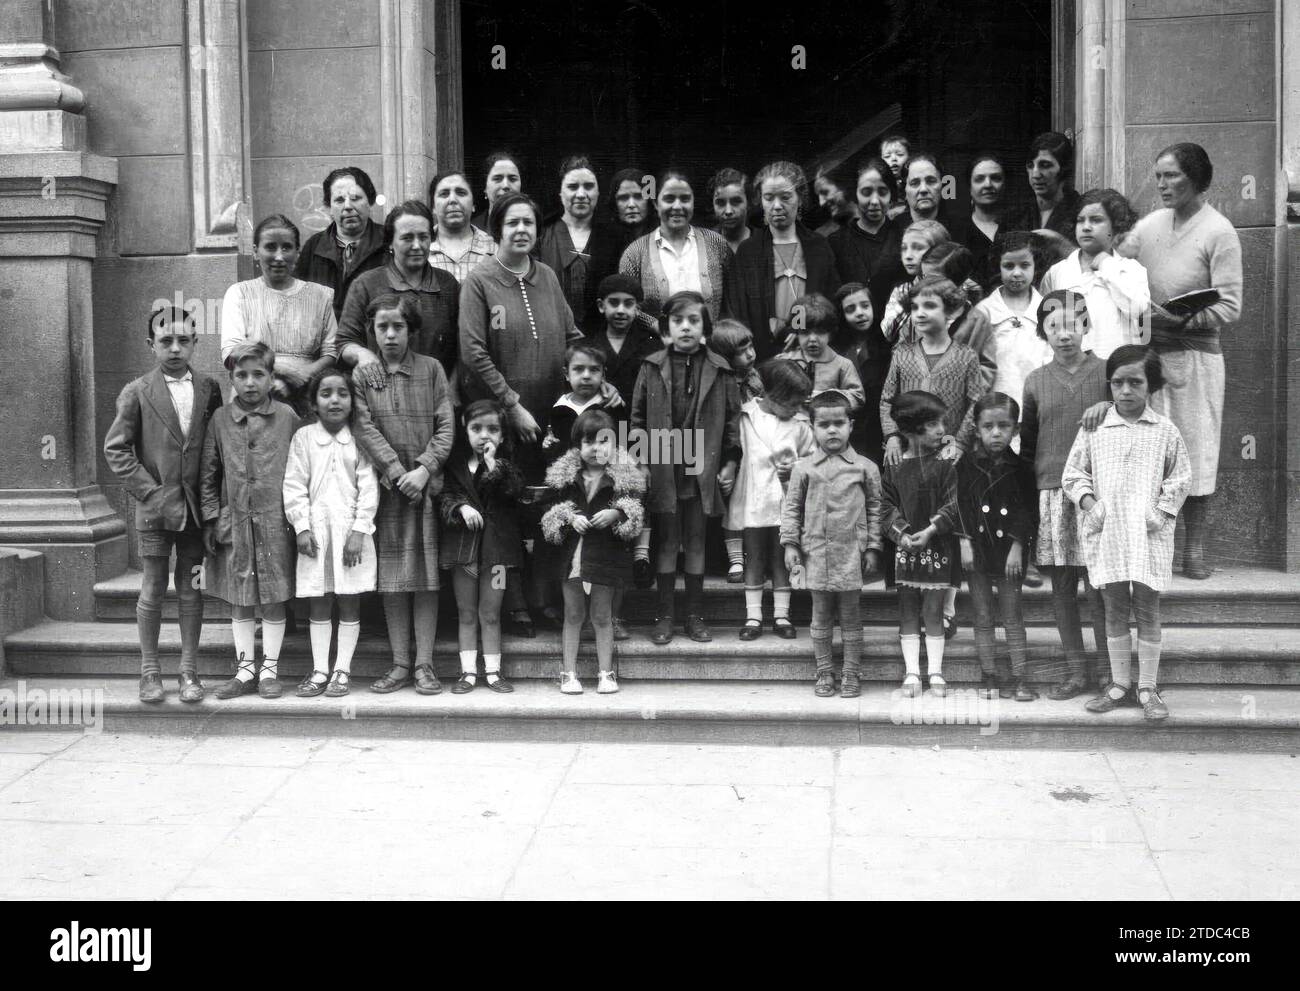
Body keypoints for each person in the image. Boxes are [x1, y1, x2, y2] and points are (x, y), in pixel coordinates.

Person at [458, 191, 588, 637]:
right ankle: (513, 606)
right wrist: (511, 405)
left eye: (528, 223)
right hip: (504, 421)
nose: (521, 230)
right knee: (507, 516)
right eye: (512, 223)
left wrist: (593, 375)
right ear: (497, 229)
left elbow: (571, 335)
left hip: (550, 418)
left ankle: (543, 599)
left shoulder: (548, 276)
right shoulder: (480, 280)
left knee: (550, 509)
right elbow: (473, 350)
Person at [1128, 142, 1242, 580]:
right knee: (1150, 452)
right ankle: (1159, 548)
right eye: (1157, 175)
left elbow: (1230, 306)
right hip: (1151, 357)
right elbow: (1119, 261)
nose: (1161, 184)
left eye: (1171, 175)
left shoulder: (1220, 231)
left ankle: (1193, 551)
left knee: (1194, 452)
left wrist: (1185, 318)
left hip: (1196, 361)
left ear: (1196, 178)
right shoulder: (1151, 224)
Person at [1063, 345, 1191, 722]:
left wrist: (1159, 513)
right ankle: (1120, 684)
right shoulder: (1096, 428)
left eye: (1135, 382)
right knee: (1114, 608)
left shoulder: (1165, 430)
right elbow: (1073, 474)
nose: (1125, 391)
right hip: (1108, 531)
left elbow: (1181, 479)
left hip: (1149, 533)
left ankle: (1147, 686)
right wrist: (1091, 505)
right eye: (1117, 383)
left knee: (1148, 609)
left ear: (1151, 385)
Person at [104, 304, 221, 704]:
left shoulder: (209, 389)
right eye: (165, 341)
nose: (175, 348)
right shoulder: (137, 391)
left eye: (183, 341)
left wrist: (211, 506)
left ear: (195, 344)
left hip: (193, 510)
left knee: (191, 588)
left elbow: (212, 448)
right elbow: (117, 449)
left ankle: (189, 670)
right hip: (154, 509)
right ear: (150, 344)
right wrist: (150, 492)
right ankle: (149, 670)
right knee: (153, 585)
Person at [353, 294, 455, 695]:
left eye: (398, 326)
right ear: (372, 331)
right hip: (388, 491)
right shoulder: (365, 376)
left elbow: (446, 426)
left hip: (425, 490)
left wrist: (424, 469)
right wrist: (397, 472)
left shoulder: (431, 370)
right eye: (382, 327)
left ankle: (425, 665)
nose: (391, 334)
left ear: (411, 329)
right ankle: (399, 663)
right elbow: (363, 428)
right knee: (393, 579)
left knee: (425, 580)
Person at [632, 290, 741, 644]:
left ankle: (694, 614)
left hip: (701, 463)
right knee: (667, 540)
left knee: (695, 540)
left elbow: (732, 424)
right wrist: (641, 461)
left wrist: (730, 462)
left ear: (705, 328)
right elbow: (635, 419)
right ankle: (664, 615)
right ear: (666, 328)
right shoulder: (651, 367)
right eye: (678, 321)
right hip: (664, 460)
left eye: (694, 321)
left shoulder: (721, 370)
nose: (686, 328)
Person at [1020, 289, 1111, 700]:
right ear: (1043, 332)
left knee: (1098, 590)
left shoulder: (1109, 373)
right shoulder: (1035, 381)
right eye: (1053, 326)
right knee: (1061, 591)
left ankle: (1110, 671)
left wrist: (1108, 404)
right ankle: (1076, 672)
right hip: (1052, 495)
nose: (1064, 334)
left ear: (1086, 325)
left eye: (1073, 324)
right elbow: (1028, 444)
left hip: (1096, 494)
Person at [200, 341, 301, 700]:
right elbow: (208, 474)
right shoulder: (219, 420)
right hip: (237, 522)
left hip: (276, 522)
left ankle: (269, 670)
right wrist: (211, 518)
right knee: (240, 595)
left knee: (273, 595)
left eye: (258, 374)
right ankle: (244, 670)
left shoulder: (288, 418)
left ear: (271, 377)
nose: (250, 382)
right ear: (232, 379)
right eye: (241, 375)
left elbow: (300, 471)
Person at [282, 369, 378, 699]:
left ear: (353, 401)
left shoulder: (361, 440)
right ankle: (320, 669)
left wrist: (359, 532)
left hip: (351, 534)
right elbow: (294, 484)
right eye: (326, 394)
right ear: (313, 402)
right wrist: (302, 528)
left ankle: (342, 670)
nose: (334, 400)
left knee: (349, 600)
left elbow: (369, 489)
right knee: (318, 602)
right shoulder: (304, 438)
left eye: (342, 393)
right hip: (316, 535)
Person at [781, 391, 883, 698]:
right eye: (824, 424)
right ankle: (824, 671)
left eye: (839, 423)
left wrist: (873, 547)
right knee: (821, 616)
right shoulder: (803, 469)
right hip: (816, 553)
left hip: (851, 553)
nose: (832, 430)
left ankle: (851, 672)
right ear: (812, 426)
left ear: (851, 425)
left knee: (851, 617)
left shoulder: (865, 467)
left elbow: (876, 508)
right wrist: (790, 545)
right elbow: (792, 508)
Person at [541, 408, 646, 694]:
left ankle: (606, 673)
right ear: (577, 446)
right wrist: (567, 516)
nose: (596, 448)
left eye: (603, 441)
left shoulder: (624, 480)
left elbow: (636, 517)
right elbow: (547, 512)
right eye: (588, 442)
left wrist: (617, 513)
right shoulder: (563, 478)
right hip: (572, 559)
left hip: (605, 559)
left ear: (614, 445)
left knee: (601, 615)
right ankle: (569, 673)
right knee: (573, 614)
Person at [955, 392, 1037, 700]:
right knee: (982, 615)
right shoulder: (965, 466)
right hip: (976, 551)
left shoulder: (1021, 468)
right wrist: (963, 541)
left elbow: (1028, 510)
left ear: (1015, 429)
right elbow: (960, 505)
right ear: (976, 429)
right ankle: (988, 675)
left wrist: (1018, 546)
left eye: (1004, 426)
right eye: (988, 426)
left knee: (1012, 614)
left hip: (1008, 554)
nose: (996, 433)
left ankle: (1020, 677)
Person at [439, 399, 524, 694]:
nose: (484, 435)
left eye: (492, 429)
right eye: (477, 428)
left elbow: (514, 492)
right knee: (466, 612)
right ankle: (467, 673)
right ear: (465, 430)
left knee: (491, 612)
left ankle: (493, 672)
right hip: (464, 553)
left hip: (498, 557)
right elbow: (445, 497)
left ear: (502, 435)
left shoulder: (508, 466)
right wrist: (461, 507)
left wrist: (493, 466)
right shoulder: (455, 466)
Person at [880, 390, 960, 697]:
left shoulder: (945, 463)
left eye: (942, 422)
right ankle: (912, 672)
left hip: (937, 547)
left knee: (934, 609)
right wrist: (900, 534)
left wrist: (930, 531)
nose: (942, 429)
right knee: (908, 608)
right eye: (933, 424)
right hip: (905, 549)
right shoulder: (894, 465)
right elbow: (885, 505)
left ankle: (936, 672)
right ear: (913, 428)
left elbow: (954, 503)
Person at [727, 359, 814, 640]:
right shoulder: (746, 417)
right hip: (754, 498)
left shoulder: (799, 424)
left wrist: (797, 465)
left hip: (783, 500)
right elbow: (735, 451)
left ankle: (781, 616)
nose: (796, 409)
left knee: (780, 560)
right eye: (792, 403)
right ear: (773, 395)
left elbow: (812, 457)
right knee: (754, 559)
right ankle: (753, 618)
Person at [221, 214, 338, 416]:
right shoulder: (239, 293)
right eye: (270, 247)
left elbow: (331, 351)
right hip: (253, 395)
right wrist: (284, 374)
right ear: (256, 252)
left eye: (286, 247)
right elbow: (232, 352)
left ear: (298, 252)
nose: (279, 256)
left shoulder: (321, 295)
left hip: (307, 396)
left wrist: (305, 375)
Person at [726, 160, 841, 359]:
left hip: (812, 351)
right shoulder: (748, 251)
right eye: (769, 198)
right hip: (762, 356)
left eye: (786, 197)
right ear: (761, 201)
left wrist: (802, 330)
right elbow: (738, 310)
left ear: (800, 199)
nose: (777, 206)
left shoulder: (818, 246)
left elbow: (831, 301)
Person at [337, 200, 460, 382]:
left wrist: (452, 390)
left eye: (423, 237)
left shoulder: (447, 284)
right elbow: (343, 342)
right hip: (382, 396)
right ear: (390, 243)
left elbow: (462, 347)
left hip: (435, 396)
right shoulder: (365, 284)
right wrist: (362, 354)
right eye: (407, 238)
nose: (417, 246)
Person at [880, 275, 984, 467]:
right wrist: (892, 435)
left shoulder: (966, 356)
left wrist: (960, 443)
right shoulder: (902, 354)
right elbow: (887, 400)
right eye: (914, 307)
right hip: (907, 455)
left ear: (951, 310)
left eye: (929, 306)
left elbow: (976, 403)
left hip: (948, 456)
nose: (919, 313)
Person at [1040, 188, 1149, 360]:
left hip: (1114, 368)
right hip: (1072, 370)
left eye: (1096, 220)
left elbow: (1137, 308)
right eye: (1080, 221)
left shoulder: (1130, 269)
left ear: (1115, 226)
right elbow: (1046, 325)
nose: (1086, 227)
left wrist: (1107, 265)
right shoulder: (1058, 272)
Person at [619, 168, 732, 322]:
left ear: (693, 202)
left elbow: (733, 302)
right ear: (655, 203)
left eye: (685, 199)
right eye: (669, 199)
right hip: (659, 344)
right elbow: (627, 306)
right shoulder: (635, 253)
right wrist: (659, 329)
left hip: (711, 344)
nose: (677, 206)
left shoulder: (716, 243)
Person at [958, 230, 1050, 403]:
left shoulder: (1047, 309)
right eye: (1009, 266)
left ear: (1035, 266)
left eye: (1024, 265)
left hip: (1037, 404)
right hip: (995, 406)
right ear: (998, 266)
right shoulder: (984, 311)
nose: (1016, 273)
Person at [536, 155, 622, 332]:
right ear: (560, 192)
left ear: (598, 192)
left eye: (589, 187)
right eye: (572, 187)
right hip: (551, 336)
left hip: (601, 340)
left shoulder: (614, 238)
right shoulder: (540, 236)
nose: (581, 194)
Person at [296, 166, 387, 320]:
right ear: (329, 208)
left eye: (356, 198)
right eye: (339, 200)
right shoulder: (313, 247)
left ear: (369, 201)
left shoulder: (387, 241)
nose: (348, 206)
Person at [711, 318, 762, 583]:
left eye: (750, 346)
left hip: (755, 451)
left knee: (753, 503)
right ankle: (734, 559)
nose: (750, 354)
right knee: (732, 504)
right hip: (729, 452)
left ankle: (754, 556)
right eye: (741, 352)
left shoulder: (756, 379)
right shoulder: (720, 382)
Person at [828, 157, 904, 332]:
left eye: (882, 192)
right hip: (852, 337)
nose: (875, 201)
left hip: (898, 333)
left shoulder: (904, 236)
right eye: (866, 192)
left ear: (891, 194)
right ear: (854, 195)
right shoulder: (836, 242)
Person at [774, 292, 864, 413]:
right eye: (805, 332)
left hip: (827, 424)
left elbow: (857, 397)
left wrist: (828, 398)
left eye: (820, 332)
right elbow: (772, 395)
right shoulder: (784, 361)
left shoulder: (843, 365)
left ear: (830, 334)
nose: (812, 339)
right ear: (796, 333)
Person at [834, 282, 886, 464]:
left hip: (877, 434)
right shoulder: (835, 349)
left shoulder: (887, 347)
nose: (860, 313)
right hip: (842, 433)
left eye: (865, 306)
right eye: (850, 309)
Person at [881, 219, 949, 347]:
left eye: (917, 248)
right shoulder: (903, 291)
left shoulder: (959, 288)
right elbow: (887, 333)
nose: (908, 255)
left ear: (940, 251)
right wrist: (904, 307)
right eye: (904, 248)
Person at [1010, 132, 1081, 242]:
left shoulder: (1081, 212)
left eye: (1045, 165)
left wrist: (1062, 246)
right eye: (1030, 166)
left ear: (1064, 169)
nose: (1035, 175)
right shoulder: (1017, 216)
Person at [428, 169, 497, 283]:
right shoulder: (421, 249)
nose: (453, 200)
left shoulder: (494, 249)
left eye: (461, 193)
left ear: (473, 205)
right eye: (444, 194)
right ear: (433, 208)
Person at [899, 152, 968, 240]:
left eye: (931, 181)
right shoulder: (893, 231)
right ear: (905, 191)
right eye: (915, 183)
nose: (923, 189)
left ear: (942, 186)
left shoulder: (962, 230)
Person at [965, 154, 1009, 291]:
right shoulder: (957, 232)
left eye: (995, 178)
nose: (988, 184)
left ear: (1005, 184)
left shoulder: (1019, 226)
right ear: (969, 187)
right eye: (979, 179)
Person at [471, 149, 522, 231]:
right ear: (485, 187)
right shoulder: (472, 230)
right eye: (497, 179)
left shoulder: (534, 227)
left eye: (512, 179)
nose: (506, 185)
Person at [609, 166, 655, 251]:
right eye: (623, 198)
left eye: (638, 197)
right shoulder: (606, 244)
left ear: (649, 201)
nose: (631, 205)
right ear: (614, 203)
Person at [709, 167, 755, 253]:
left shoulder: (764, 243)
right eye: (720, 203)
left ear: (748, 203)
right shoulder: (703, 245)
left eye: (736, 201)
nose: (728, 211)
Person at [813, 162, 860, 238]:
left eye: (825, 192)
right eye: (819, 197)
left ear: (844, 186)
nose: (821, 203)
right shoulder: (821, 238)